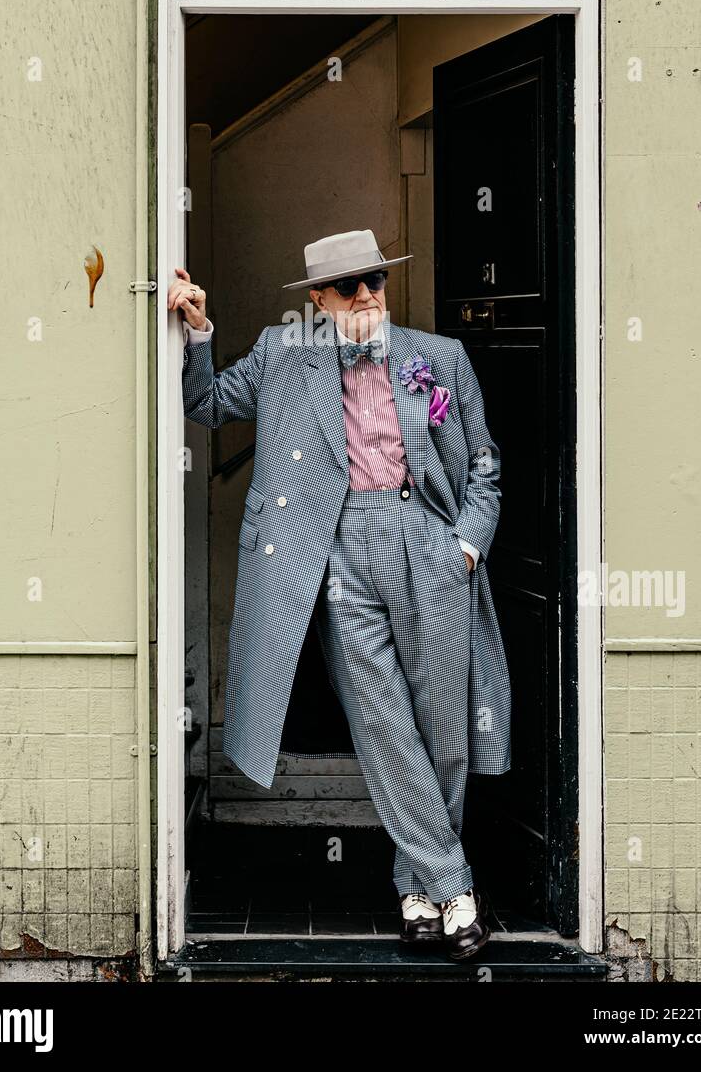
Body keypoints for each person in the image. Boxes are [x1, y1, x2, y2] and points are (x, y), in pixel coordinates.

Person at [168, 229, 511, 961]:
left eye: (374, 282)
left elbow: (483, 462)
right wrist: (196, 328)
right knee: (383, 720)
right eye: (348, 286)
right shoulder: (280, 353)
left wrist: (466, 544)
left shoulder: (437, 357)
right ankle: (452, 888)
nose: (365, 297)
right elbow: (204, 403)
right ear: (317, 300)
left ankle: (414, 885)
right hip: (335, 547)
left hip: (427, 536)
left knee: (445, 728)